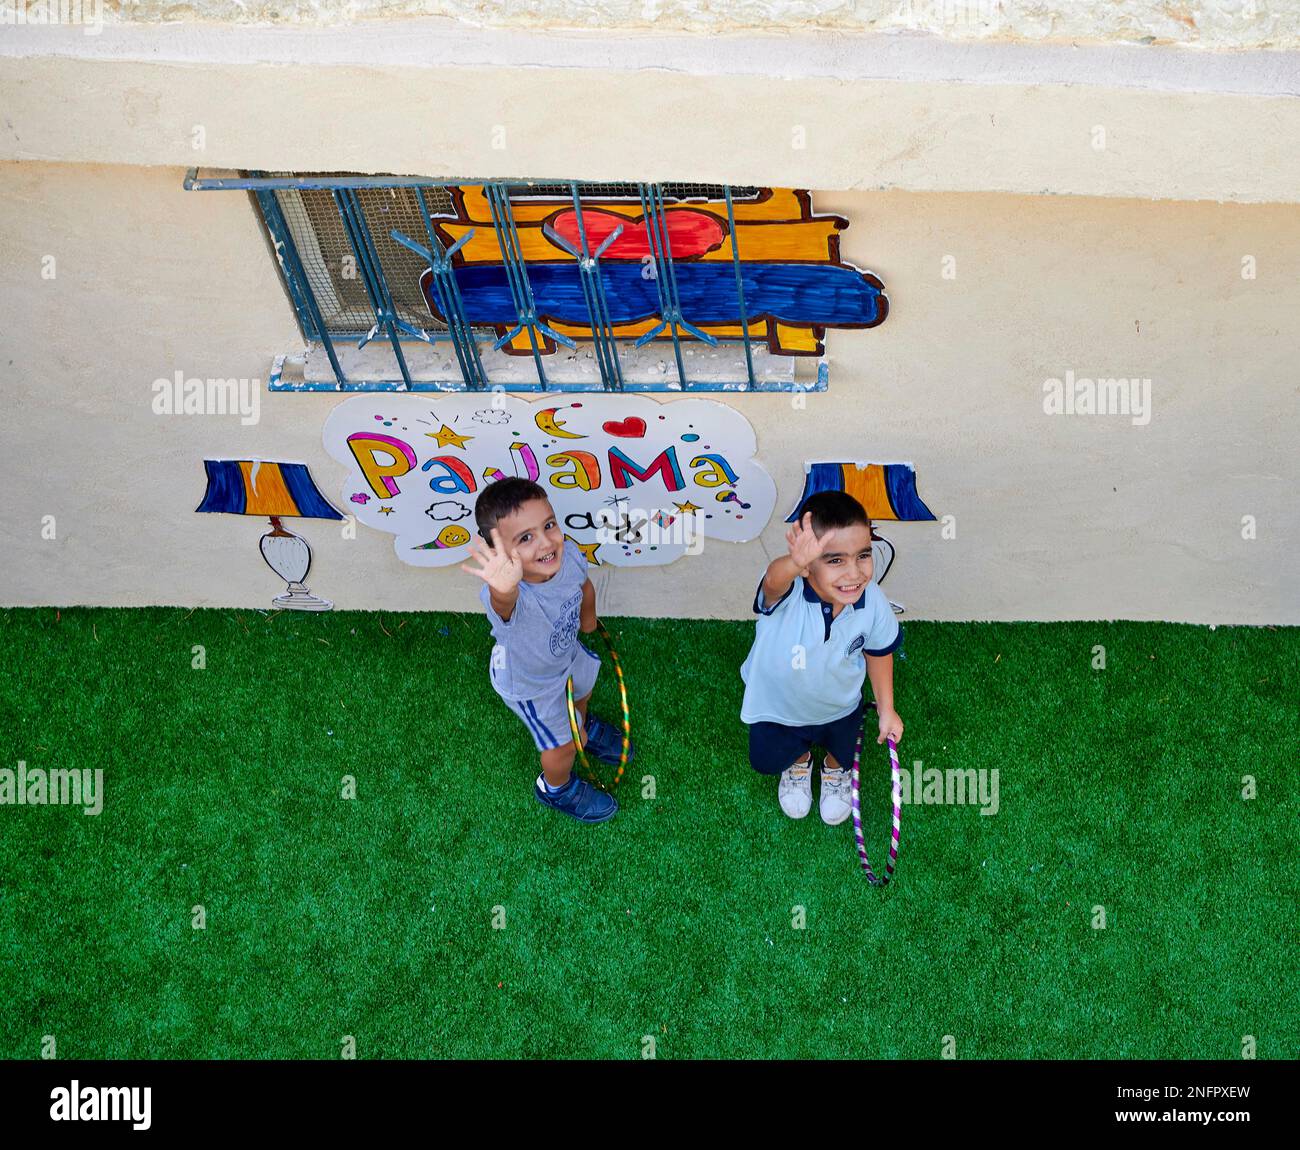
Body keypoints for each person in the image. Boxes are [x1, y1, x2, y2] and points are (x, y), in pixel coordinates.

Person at [462, 478, 631, 823]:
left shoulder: (566, 556)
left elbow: (583, 584)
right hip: (531, 683)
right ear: (498, 552)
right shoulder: (510, 596)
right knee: (563, 744)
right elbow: (503, 603)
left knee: (584, 686)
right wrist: (503, 589)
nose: (546, 542)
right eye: (525, 538)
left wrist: (588, 618)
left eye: (549, 525)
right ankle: (557, 787)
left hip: (566, 654)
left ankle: (580, 723)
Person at [740, 490, 904, 823]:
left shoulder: (872, 601)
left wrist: (886, 708)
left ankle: (833, 770)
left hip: (839, 706)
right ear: (806, 566)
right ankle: (798, 762)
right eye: (835, 560)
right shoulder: (787, 593)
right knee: (769, 756)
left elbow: (878, 651)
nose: (854, 573)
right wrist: (793, 563)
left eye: (862, 555)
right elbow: (773, 582)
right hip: (778, 707)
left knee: (842, 749)